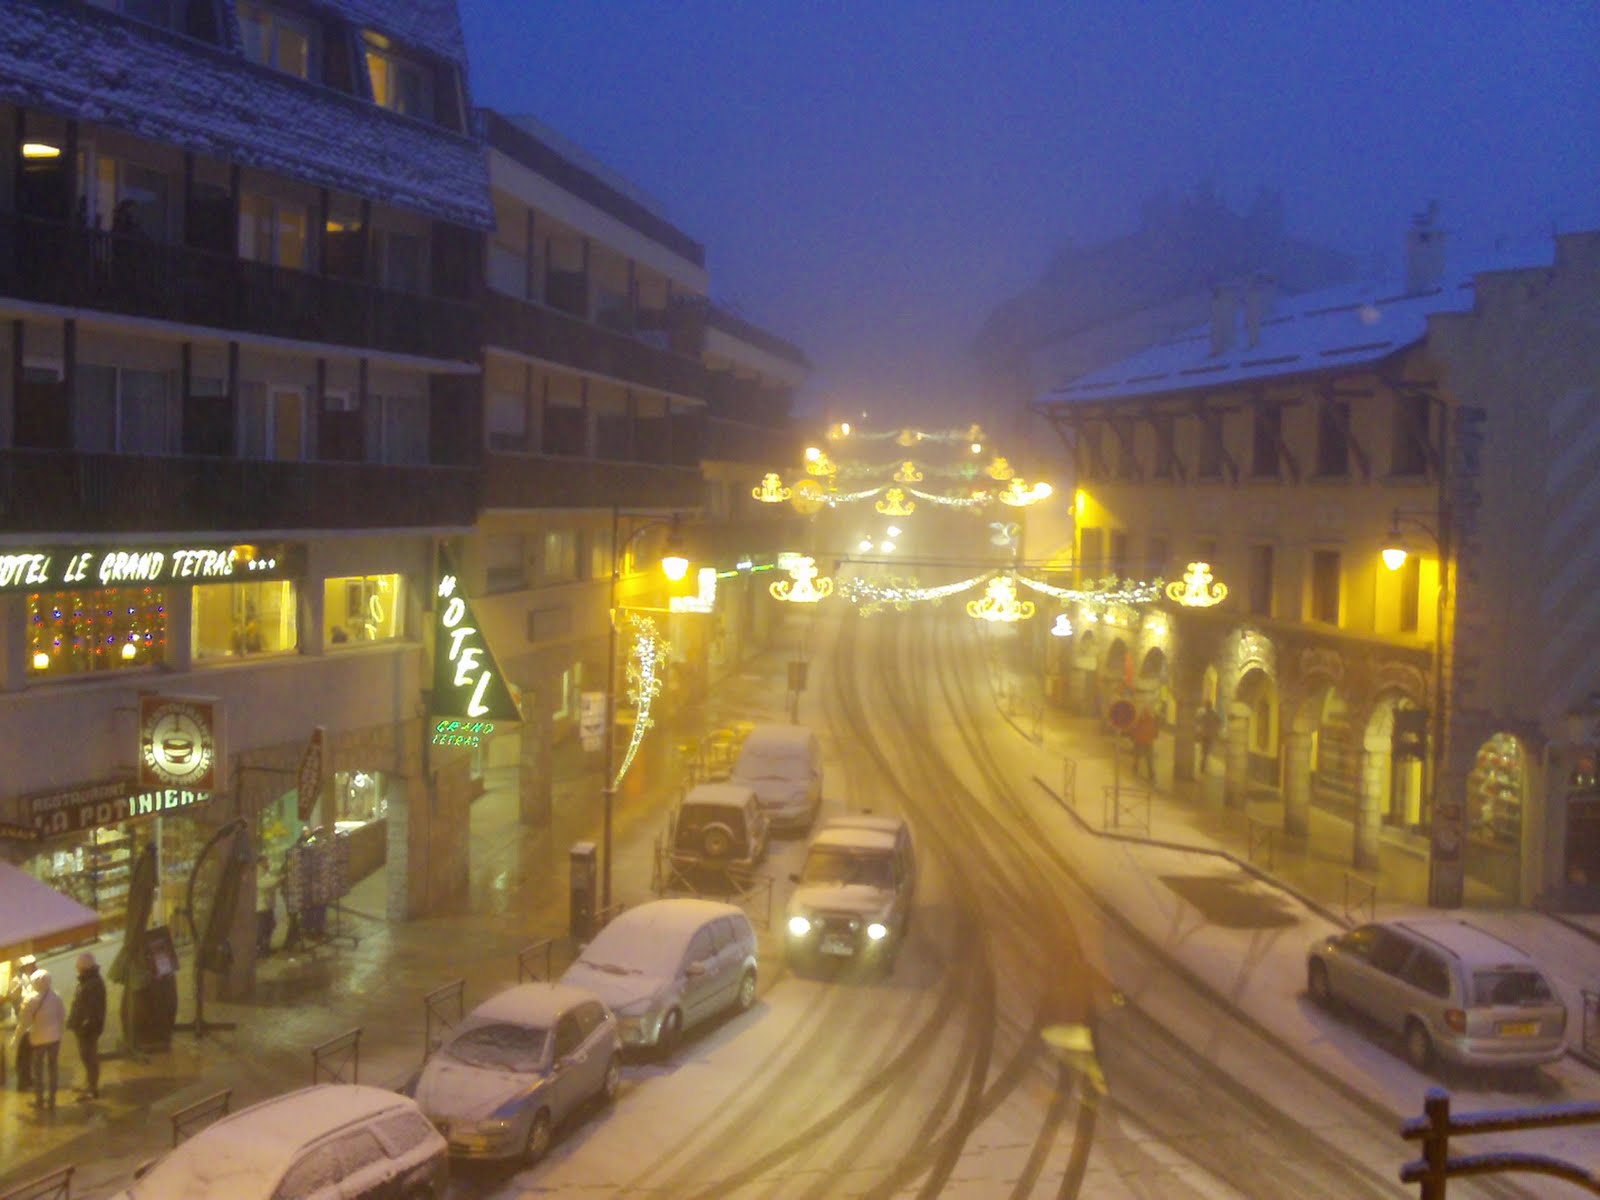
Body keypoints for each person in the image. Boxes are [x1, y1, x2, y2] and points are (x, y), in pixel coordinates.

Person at [12, 967, 65, 1112]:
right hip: (54, 1039)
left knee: (38, 1070)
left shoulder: (30, 1000)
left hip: (38, 1040)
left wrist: (15, 1039)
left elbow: (23, 1023)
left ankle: (40, 1100)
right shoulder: (56, 996)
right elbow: (61, 1016)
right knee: (53, 1069)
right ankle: (52, 1100)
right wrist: (60, 1032)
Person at [67, 953, 105, 1100]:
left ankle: (92, 1088)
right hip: (84, 1027)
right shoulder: (89, 981)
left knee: (89, 1057)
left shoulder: (93, 984)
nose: (77, 969)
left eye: (78, 966)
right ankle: (88, 1083)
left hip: (88, 1029)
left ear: (84, 967)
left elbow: (93, 1009)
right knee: (86, 1056)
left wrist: (85, 1025)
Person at [8, 955, 37, 1090]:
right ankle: (23, 1082)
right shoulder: (17, 981)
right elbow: (17, 1000)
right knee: (24, 1053)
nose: (35, 966)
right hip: (23, 1021)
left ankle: (27, 1080)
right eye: (32, 964)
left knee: (27, 1053)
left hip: (29, 1021)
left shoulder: (26, 979)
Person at [256, 855, 279, 955]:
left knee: (269, 927)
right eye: (266, 861)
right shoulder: (257, 872)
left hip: (267, 906)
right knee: (263, 929)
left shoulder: (264, 872)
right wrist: (278, 880)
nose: (268, 863)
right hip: (261, 907)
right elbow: (262, 884)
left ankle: (265, 948)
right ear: (260, 862)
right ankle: (261, 949)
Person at [1131, 707, 1159, 781]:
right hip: (1145, 741)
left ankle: (1136, 770)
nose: (1147, 714)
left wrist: (1134, 737)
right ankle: (1151, 774)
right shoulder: (1150, 720)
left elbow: (1134, 729)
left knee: (1140, 756)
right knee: (1148, 758)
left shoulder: (1142, 720)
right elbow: (1155, 731)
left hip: (1142, 740)